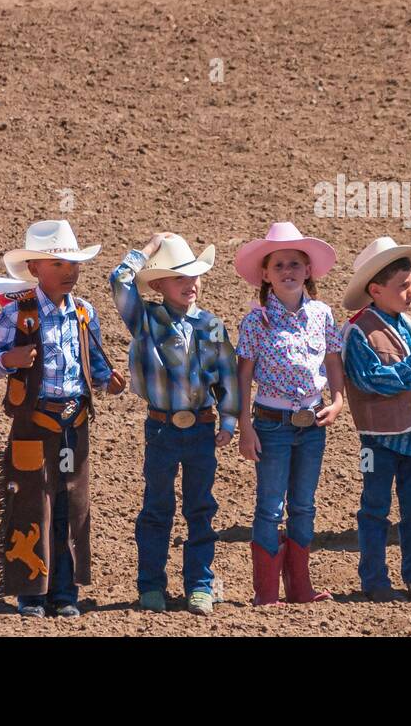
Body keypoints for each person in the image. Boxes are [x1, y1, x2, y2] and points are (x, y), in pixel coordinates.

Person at [0, 220, 126, 617]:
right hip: (33, 421)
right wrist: (6, 360)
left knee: (71, 504)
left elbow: (95, 365)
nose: (69, 272)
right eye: (58, 265)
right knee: (32, 503)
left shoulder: (84, 312)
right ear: (35, 269)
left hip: (74, 421)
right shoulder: (18, 315)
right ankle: (31, 592)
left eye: (73, 265)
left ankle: (64, 591)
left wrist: (107, 382)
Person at [110, 233, 237, 616]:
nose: (191, 284)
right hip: (162, 428)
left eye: (195, 276)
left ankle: (200, 584)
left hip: (200, 427)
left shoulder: (212, 326)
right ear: (159, 284)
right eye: (180, 277)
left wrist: (229, 418)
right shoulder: (145, 319)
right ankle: (151, 585)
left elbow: (226, 375)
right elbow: (119, 279)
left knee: (201, 508)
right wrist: (148, 248)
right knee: (157, 508)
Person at [234, 222, 345, 605]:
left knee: (303, 504)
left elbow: (332, 360)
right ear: (265, 274)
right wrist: (245, 426)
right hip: (272, 423)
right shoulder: (256, 320)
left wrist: (338, 399)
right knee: (270, 505)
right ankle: (266, 593)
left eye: (295, 263)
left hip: (312, 422)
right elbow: (243, 375)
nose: (288, 271)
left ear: (308, 270)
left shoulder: (322, 315)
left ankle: (301, 588)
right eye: (279, 265)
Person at [341, 237, 411, 602]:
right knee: (375, 509)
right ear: (376, 290)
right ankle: (375, 580)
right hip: (379, 439)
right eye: (403, 286)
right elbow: (370, 379)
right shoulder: (358, 331)